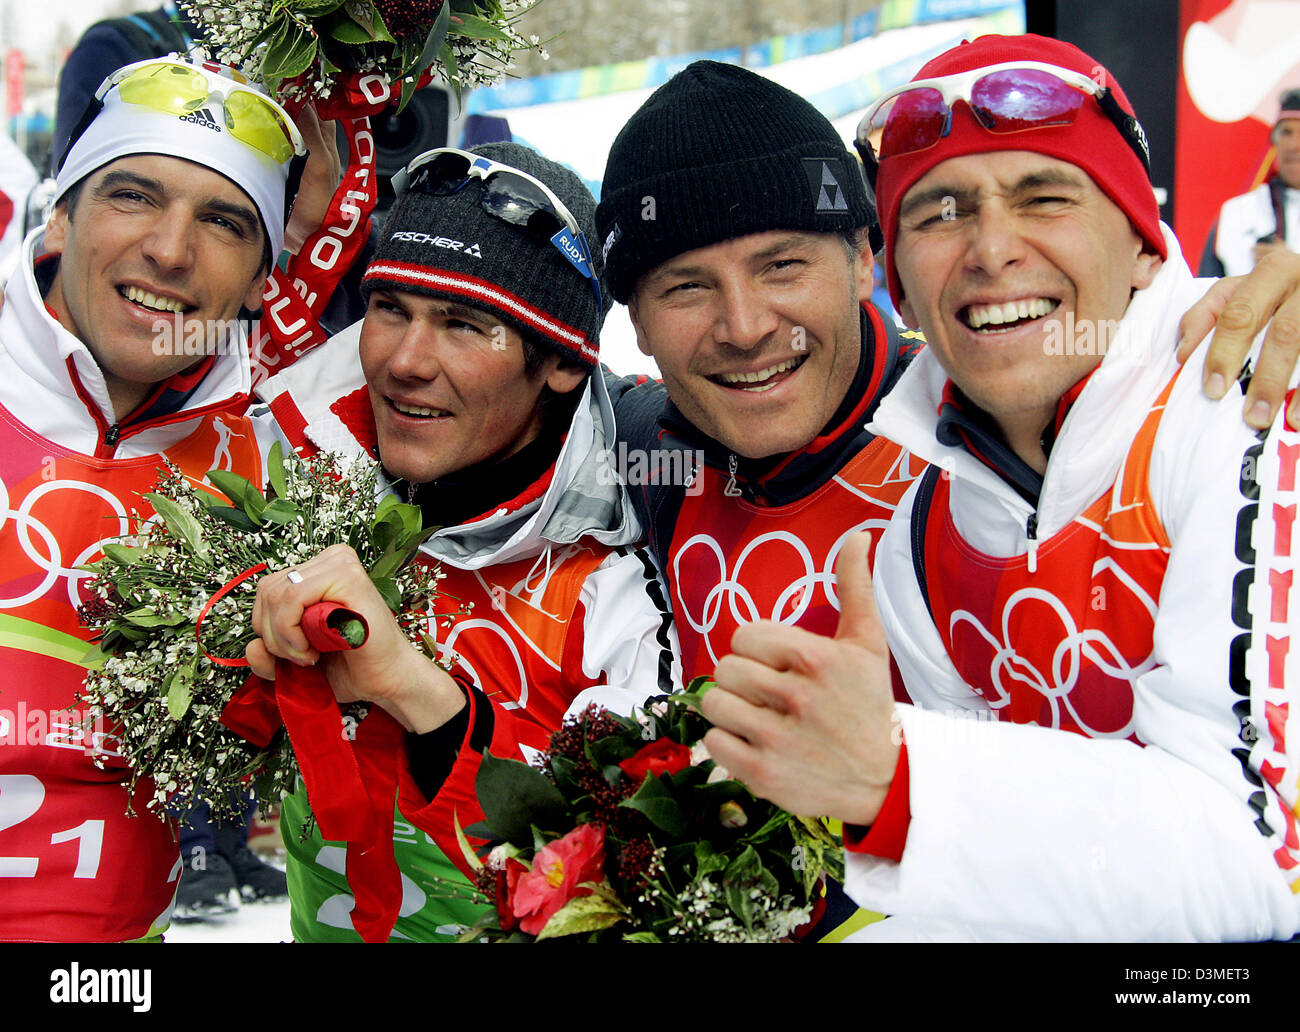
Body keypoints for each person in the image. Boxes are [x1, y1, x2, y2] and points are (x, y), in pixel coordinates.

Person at [700, 33, 1300, 941]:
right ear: (895, 279)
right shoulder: (920, 537)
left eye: (1044, 196)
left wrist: (898, 782)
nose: (989, 249)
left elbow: (1269, 864)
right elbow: (999, 901)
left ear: (1144, 245)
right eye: (938, 212)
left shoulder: (1247, 395)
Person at [248, 142, 677, 942]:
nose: (405, 363)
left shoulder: (617, 568)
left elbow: (631, 881)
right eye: (390, 309)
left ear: (558, 361)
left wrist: (422, 696)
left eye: (464, 325)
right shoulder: (309, 479)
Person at [0, 55, 304, 941]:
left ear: (259, 280)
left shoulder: (274, 464)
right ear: (61, 216)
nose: (171, 250)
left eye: (223, 220)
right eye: (132, 195)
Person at [1200, 88, 1300, 278]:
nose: (1294, 145)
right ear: (1274, 142)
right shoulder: (1237, 213)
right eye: (1287, 132)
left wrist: (1293, 267)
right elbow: (1207, 294)